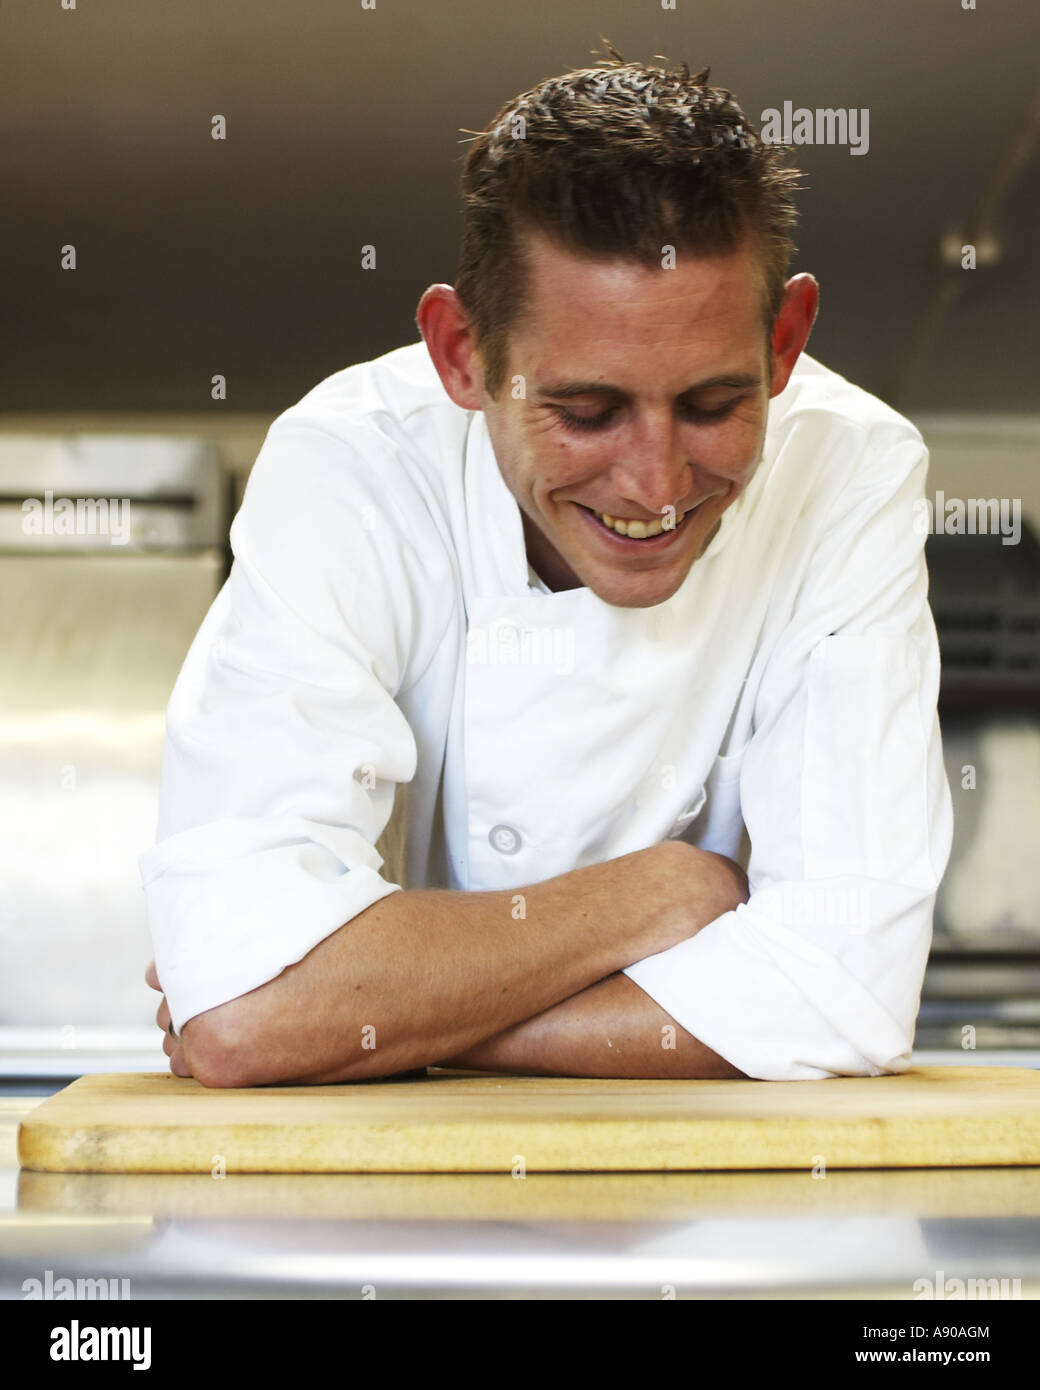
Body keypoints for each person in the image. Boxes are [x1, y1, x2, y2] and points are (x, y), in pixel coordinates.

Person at [141, 48, 953, 1087]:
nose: (656, 478)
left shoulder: (849, 469)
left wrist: (361, 1019)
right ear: (461, 355)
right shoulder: (350, 466)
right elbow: (241, 1004)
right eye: (584, 411)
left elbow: (843, 993)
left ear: (784, 340)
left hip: (723, 1209)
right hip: (389, 1208)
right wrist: (650, 894)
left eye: (711, 404)